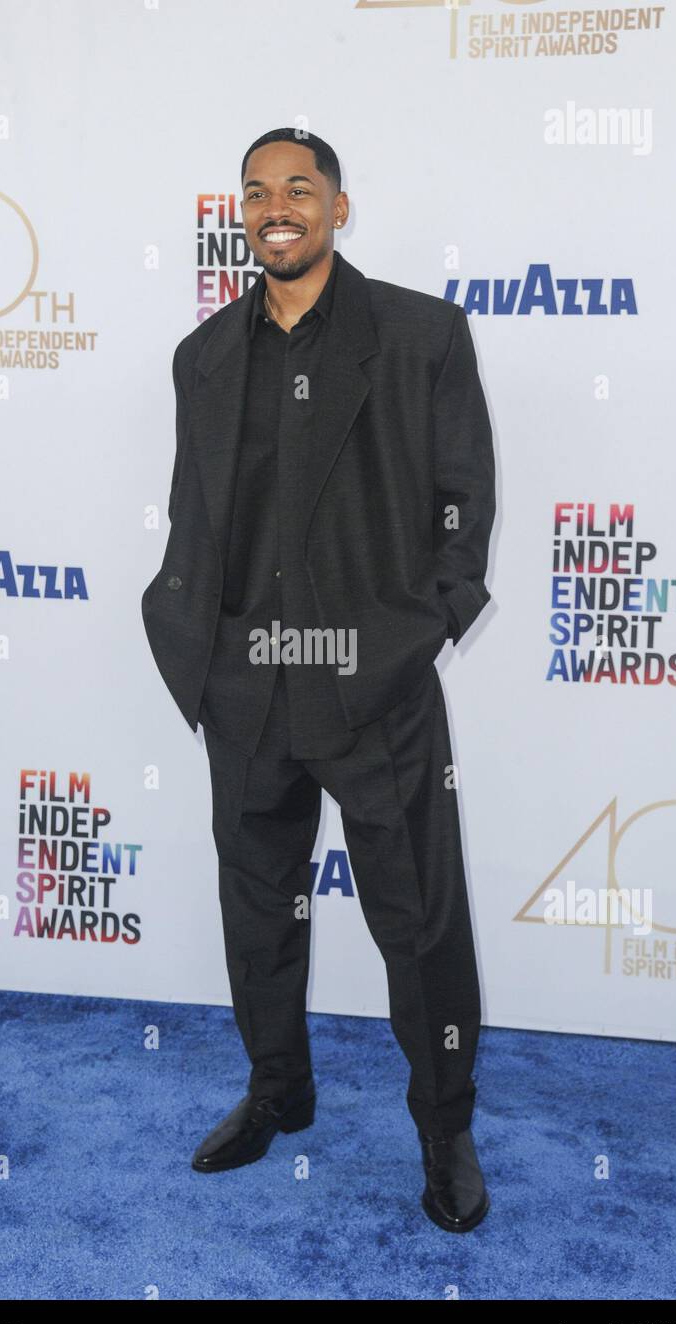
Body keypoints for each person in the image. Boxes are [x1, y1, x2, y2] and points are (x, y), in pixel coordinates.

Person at [141, 128, 497, 1233]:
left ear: (340, 209)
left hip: (370, 683)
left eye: (300, 188)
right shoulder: (202, 355)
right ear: (239, 216)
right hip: (245, 684)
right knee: (259, 913)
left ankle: (445, 1131)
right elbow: (195, 512)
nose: (276, 206)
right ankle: (277, 1091)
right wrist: (191, 641)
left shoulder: (420, 336)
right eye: (257, 193)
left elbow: (461, 501)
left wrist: (419, 630)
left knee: (421, 925)